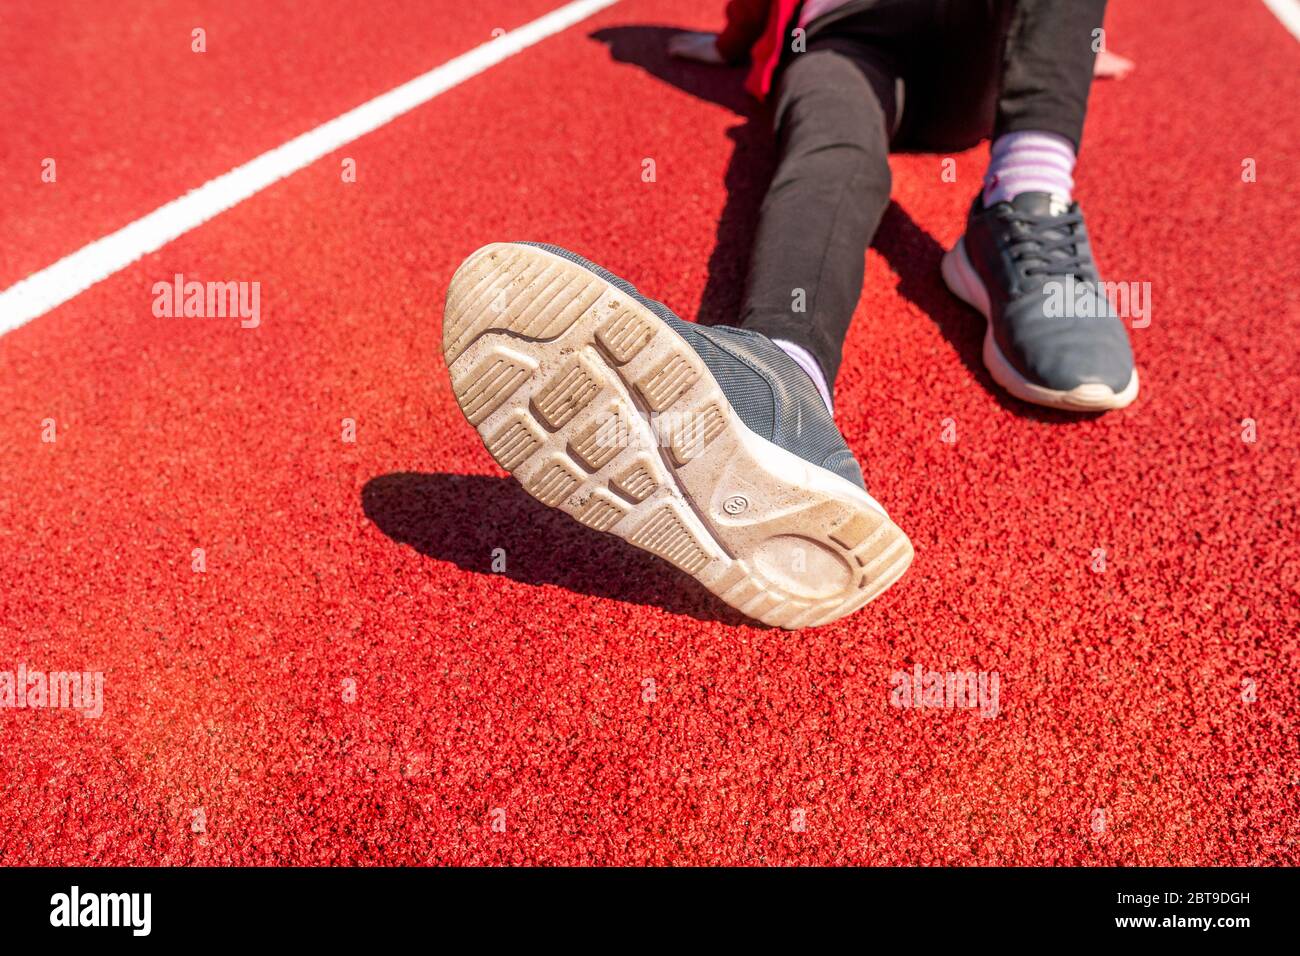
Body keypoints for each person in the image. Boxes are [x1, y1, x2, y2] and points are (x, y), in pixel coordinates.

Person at [441, 1, 1136, 628]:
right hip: (845, 37)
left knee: (834, 139)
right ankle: (781, 378)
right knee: (831, 149)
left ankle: (1026, 200)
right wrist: (737, 37)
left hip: (975, 42)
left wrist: (1064, 45)